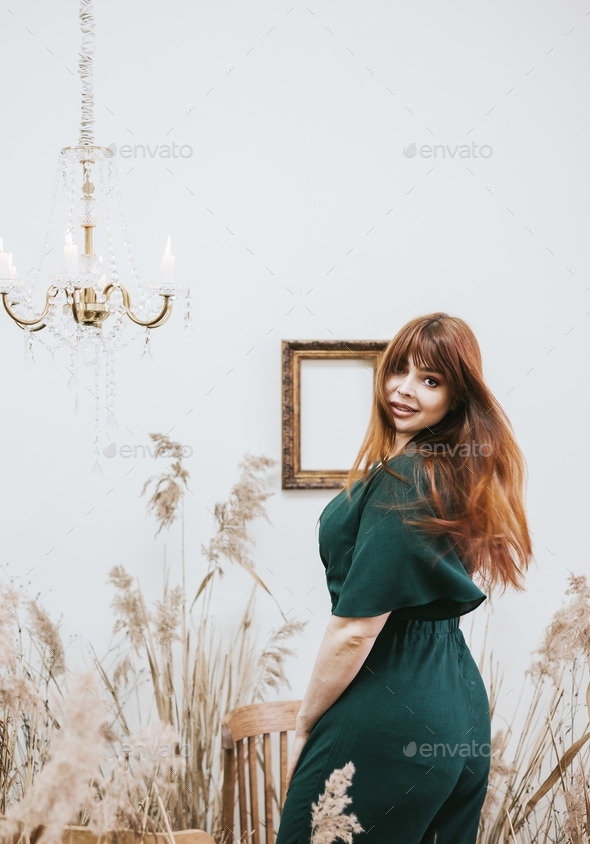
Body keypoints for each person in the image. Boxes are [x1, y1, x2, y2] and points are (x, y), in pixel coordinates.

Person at [274, 312, 532, 844]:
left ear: (457, 398)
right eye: (400, 370)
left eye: (430, 380)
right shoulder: (450, 471)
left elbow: (355, 630)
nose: (405, 389)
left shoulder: (408, 476)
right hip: (457, 706)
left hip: (389, 701)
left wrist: (304, 723)